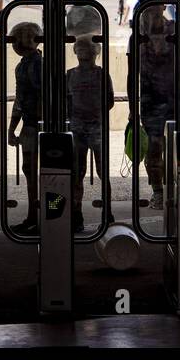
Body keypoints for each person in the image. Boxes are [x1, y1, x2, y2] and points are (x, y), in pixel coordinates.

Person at [66, 36, 113, 233]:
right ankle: (103, 213)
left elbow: (66, 103)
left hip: (83, 127)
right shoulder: (100, 75)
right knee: (83, 173)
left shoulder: (71, 75)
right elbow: (109, 101)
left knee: (80, 174)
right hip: (90, 127)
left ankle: (79, 214)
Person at [129, 4, 172, 209]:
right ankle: (158, 191)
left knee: (172, 148)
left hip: (172, 101)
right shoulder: (138, 37)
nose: (153, 15)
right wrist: (132, 108)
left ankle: (171, 190)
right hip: (150, 102)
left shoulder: (173, 31)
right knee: (153, 150)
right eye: (149, 11)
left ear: (163, 9)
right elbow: (132, 75)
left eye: (156, 10)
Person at [6, 22, 43, 234]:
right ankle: (35, 215)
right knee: (31, 169)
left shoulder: (27, 66)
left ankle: (35, 215)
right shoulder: (33, 64)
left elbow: (22, 100)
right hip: (35, 124)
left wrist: (13, 128)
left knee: (32, 169)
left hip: (33, 124)